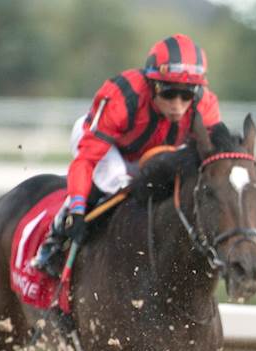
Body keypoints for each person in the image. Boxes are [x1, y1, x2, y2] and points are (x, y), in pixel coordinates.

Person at [31, 34, 221, 276]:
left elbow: (213, 158)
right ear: (153, 85)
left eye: (186, 95)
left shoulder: (205, 106)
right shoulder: (124, 96)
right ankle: (56, 237)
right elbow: (86, 161)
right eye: (169, 93)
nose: (178, 105)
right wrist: (78, 209)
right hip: (104, 145)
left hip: (152, 154)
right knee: (115, 179)